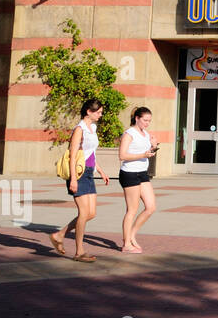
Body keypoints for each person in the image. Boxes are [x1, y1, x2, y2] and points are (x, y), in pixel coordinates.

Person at [50, 99, 110, 262]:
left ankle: (59, 235)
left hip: (89, 171)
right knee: (83, 213)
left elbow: (90, 152)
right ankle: (79, 252)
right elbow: (73, 155)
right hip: (79, 174)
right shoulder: (79, 129)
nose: (100, 115)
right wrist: (73, 180)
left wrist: (100, 169)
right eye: (98, 112)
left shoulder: (93, 128)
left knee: (91, 213)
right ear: (88, 112)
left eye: (101, 112)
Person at [118, 107, 160, 253]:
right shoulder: (129, 134)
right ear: (137, 118)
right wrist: (143, 154)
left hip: (142, 173)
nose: (147, 123)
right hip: (129, 173)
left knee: (151, 207)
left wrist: (154, 145)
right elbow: (122, 155)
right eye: (145, 120)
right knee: (132, 210)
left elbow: (149, 153)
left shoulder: (145, 134)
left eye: (149, 120)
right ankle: (126, 244)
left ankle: (132, 235)